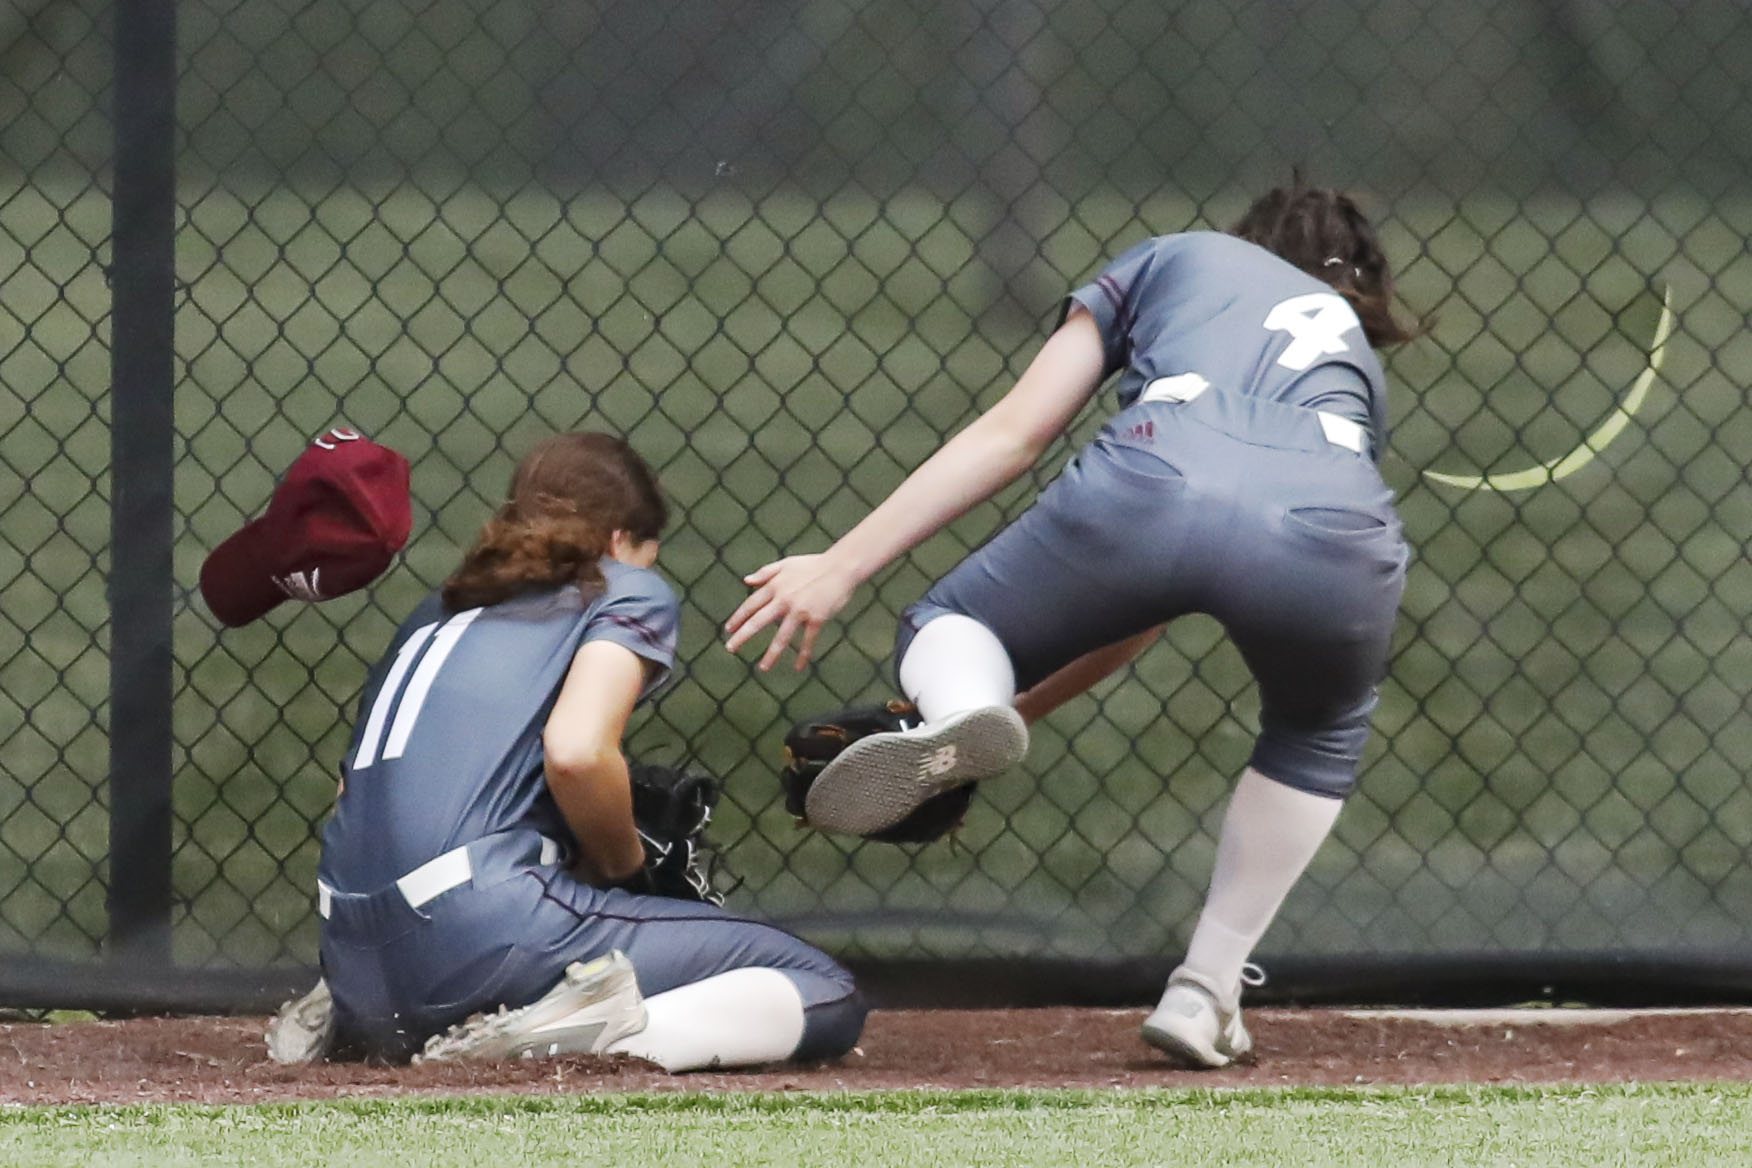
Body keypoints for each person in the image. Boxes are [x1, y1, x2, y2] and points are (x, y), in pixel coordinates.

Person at [725, 183, 1417, 1069]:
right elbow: (1147, 615)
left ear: (1248, 241)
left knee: (951, 621)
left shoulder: (1179, 253)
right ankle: (1206, 988)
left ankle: (959, 705)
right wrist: (1001, 720)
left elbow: (1017, 434)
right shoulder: (1357, 357)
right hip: (1337, 514)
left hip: (1163, 461)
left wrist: (843, 567)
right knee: (1318, 735)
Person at [272, 431, 865, 1068]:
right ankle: (553, 1034)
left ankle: (363, 1020)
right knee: (826, 991)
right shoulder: (623, 586)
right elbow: (577, 753)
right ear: (617, 542)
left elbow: (351, 795)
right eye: (644, 555)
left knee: (456, 934)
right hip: (482, 935)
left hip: (353, 959)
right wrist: (623, 869)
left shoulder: (436, 611)